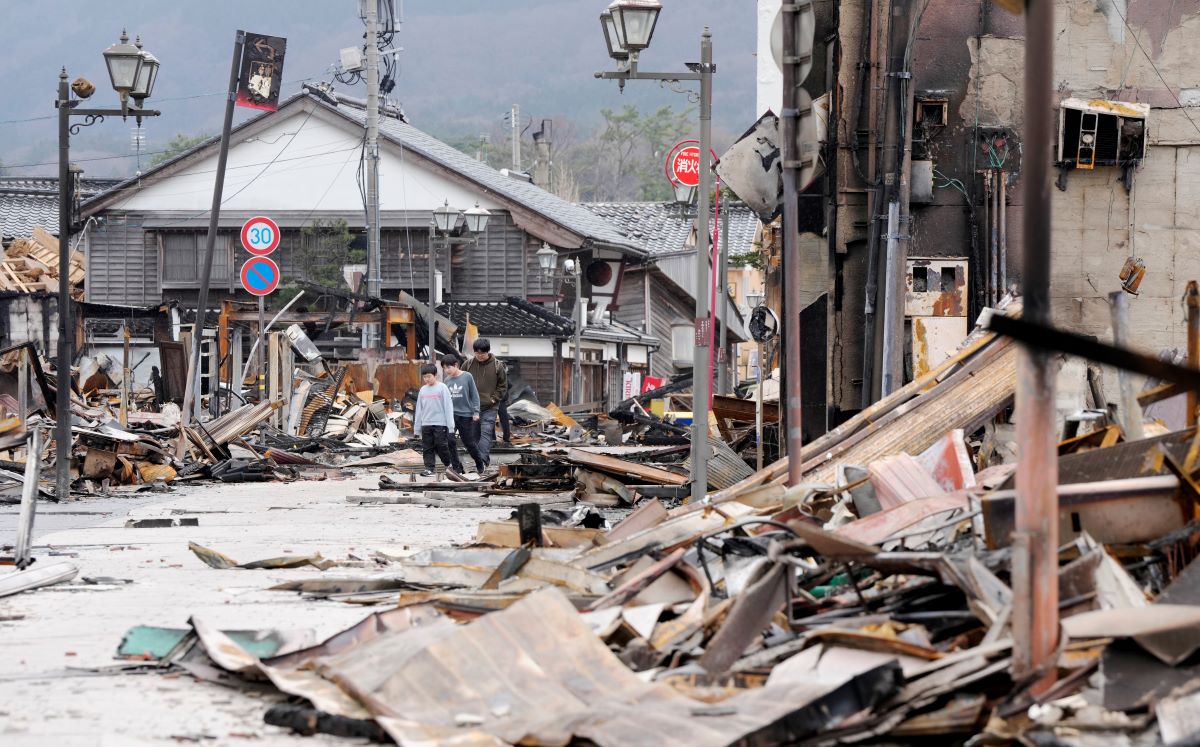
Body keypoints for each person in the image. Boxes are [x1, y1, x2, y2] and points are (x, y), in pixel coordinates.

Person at [461, 338, 508, 468]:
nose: (480, 356)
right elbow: (461, 382)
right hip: (471, 407)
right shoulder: (467, 364)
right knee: (474, 436)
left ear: (488, 351)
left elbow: (503, 386)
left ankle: (482, 460)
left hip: (490, 407)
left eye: (482, 353)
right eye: (477, 353)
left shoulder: (498, 365)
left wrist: (493, 398)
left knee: (486, 433)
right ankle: (481, 460)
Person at [440, 353, 485, 478]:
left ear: (456, 365)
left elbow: (475, 396)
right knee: (449, 441)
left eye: (448, 367)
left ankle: (479, 462)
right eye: (444, 368)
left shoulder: (467, 377)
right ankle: (457, 467)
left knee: (468, 442)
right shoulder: (446, 381)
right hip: (450, 416)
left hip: (465, 415)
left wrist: (476, 412)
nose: (446, 370)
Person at [413, 363, 456, 478]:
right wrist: (417, 428)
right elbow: (419, 409)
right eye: (424, 377)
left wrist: (450, 425)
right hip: (426, 423)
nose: (426, 379)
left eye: (429, 376)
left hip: (440, 423)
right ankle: (429, 468)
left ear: (435, 375)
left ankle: (448, 465)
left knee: (441, 445)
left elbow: (448, 407)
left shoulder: (442, 388)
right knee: (427, 447)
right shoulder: (423, 390)